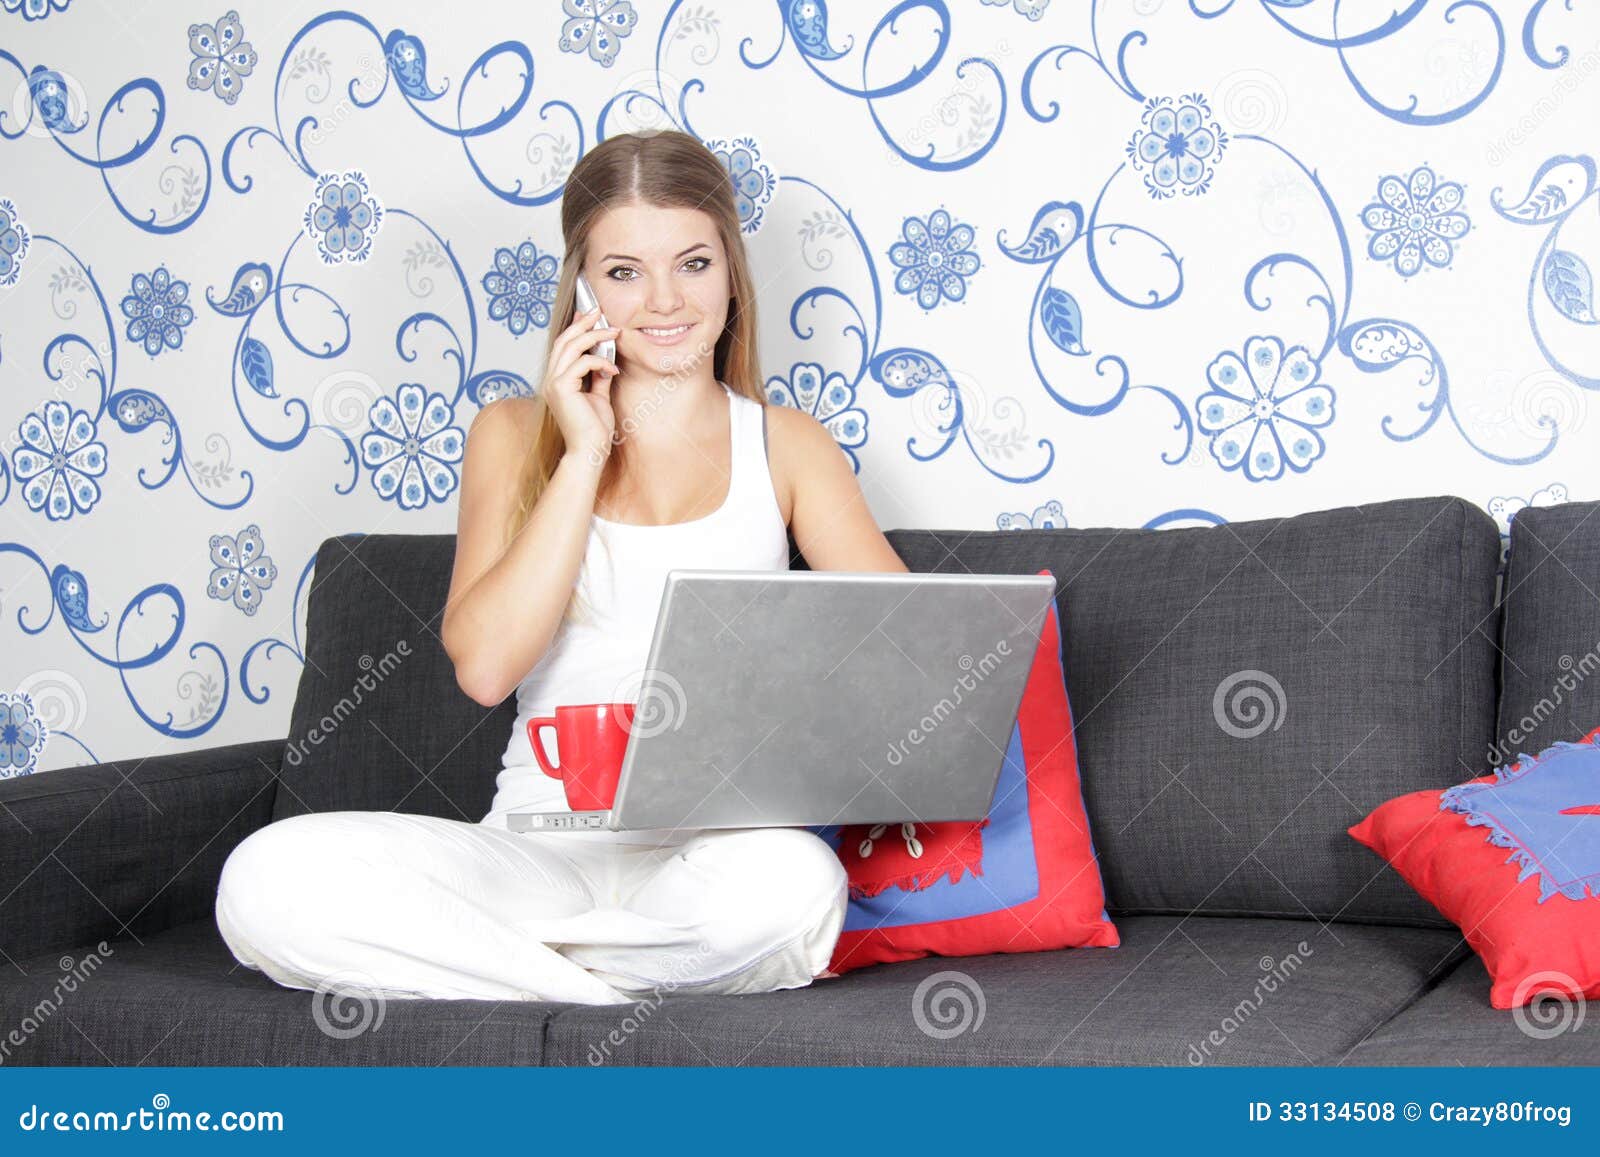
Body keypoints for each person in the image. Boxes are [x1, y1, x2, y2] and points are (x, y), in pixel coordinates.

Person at [214, 129, 909, 1005]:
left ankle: (522, 978)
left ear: (731, 270)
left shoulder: (787, 446)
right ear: (582, 285)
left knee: (799, 887)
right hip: (535, 856)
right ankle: (606, 990)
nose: (664, 300)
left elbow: (905, 657)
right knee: (264, 879)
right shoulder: (511, 436)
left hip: (710, 859)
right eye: (624, 272)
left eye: (693, 263)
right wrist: (580, 454)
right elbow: (485, 666)